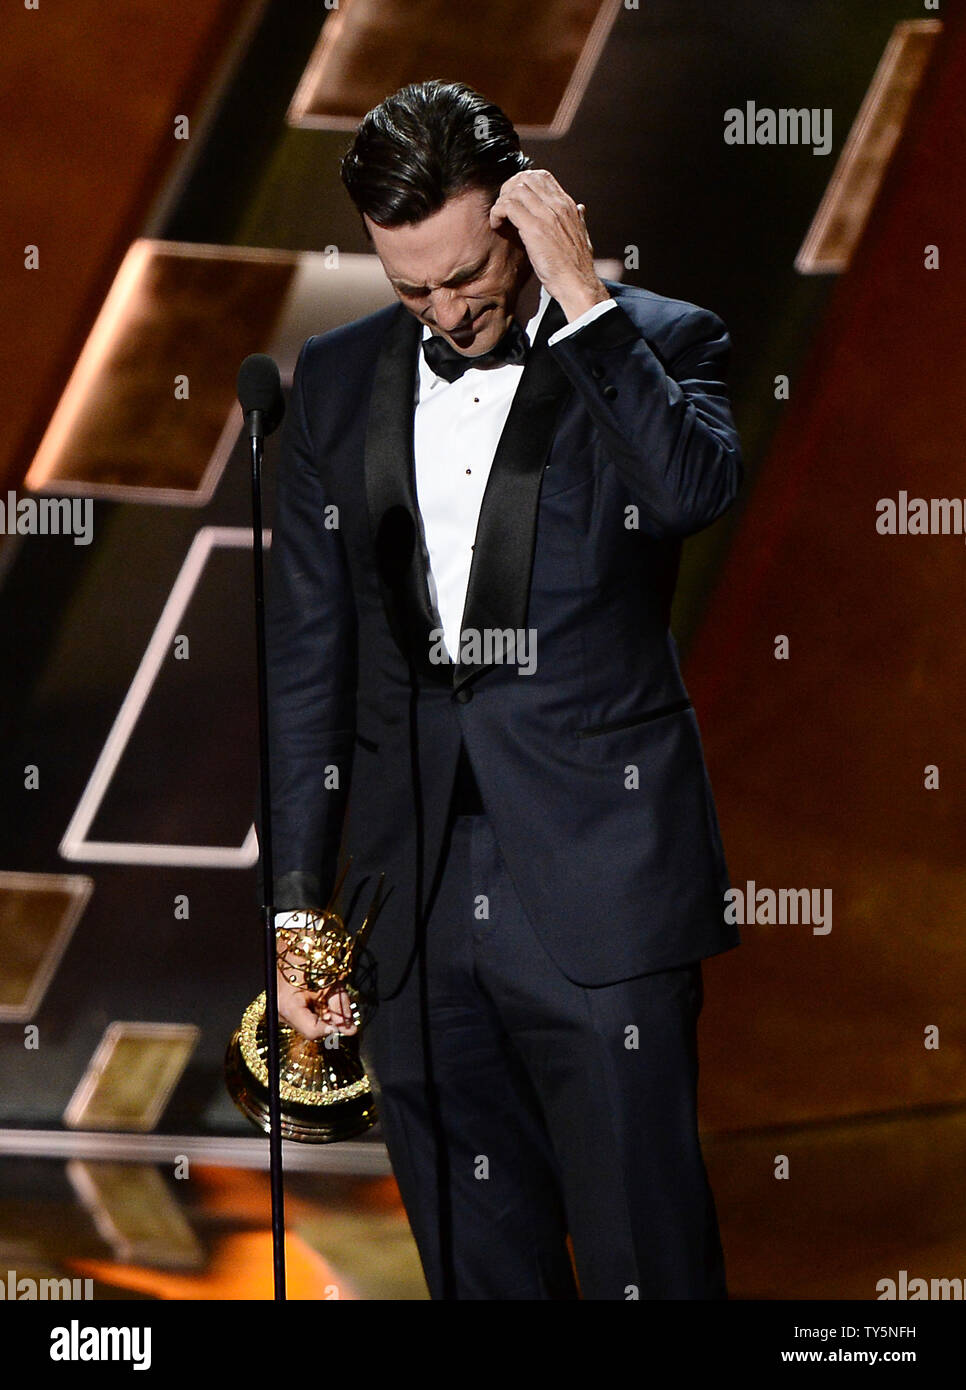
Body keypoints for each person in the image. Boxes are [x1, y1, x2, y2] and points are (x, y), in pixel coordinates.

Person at [262, 78, 743, 1300]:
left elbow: (691, 492)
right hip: (407, 906)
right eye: (408, 285)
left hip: (598, 885)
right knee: (480, 1273)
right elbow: (311, 660)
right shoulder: (331, 382)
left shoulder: (658, 341)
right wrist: (299, 915)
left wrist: (583, 300)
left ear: (526, 214)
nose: (444, 308)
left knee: (649, 1256)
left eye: (466, 273)